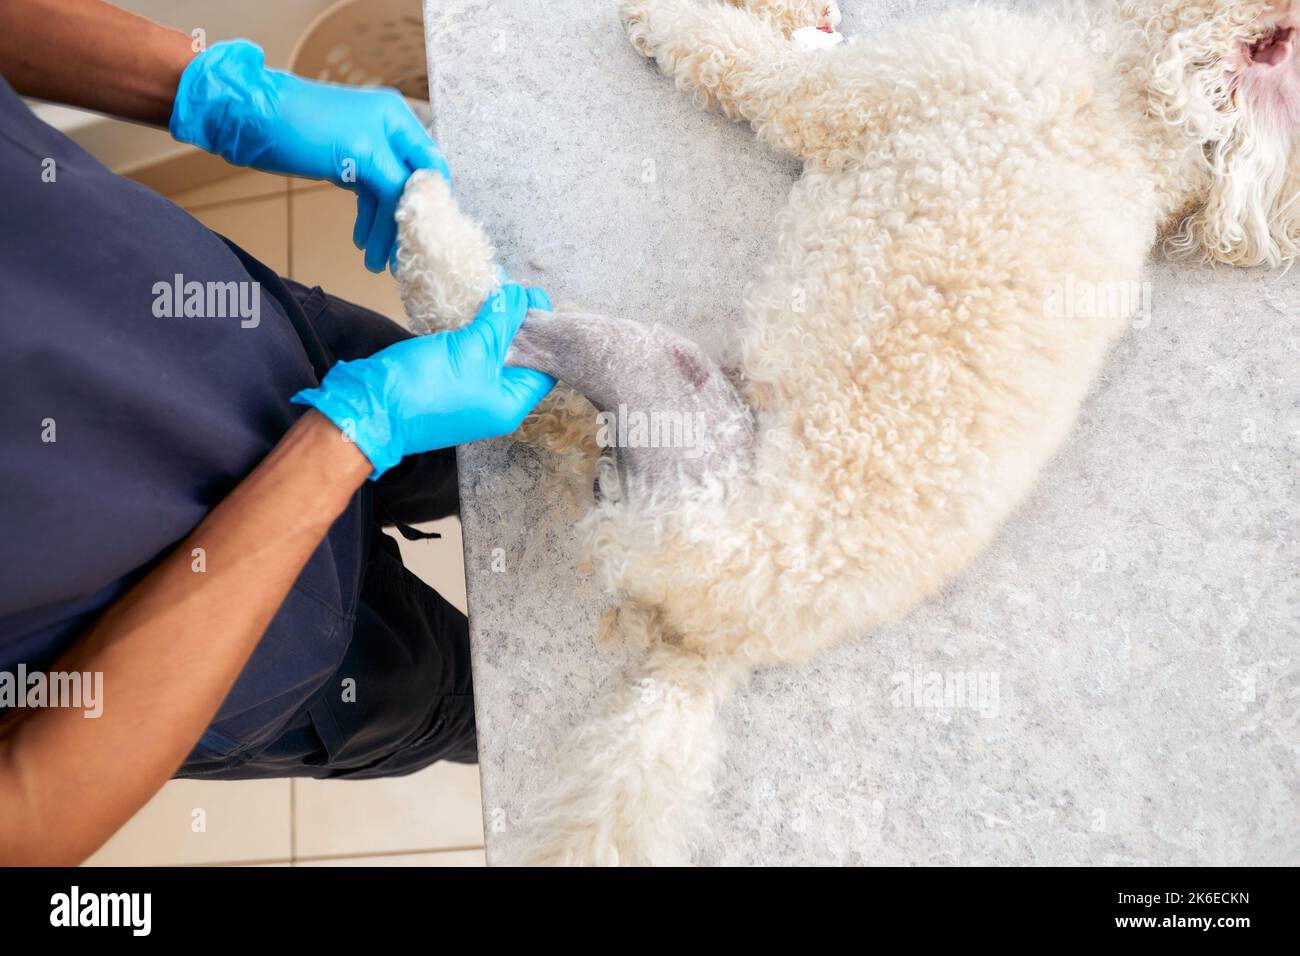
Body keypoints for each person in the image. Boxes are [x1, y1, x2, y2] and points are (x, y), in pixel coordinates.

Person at [0, 0, 554, 864]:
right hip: (210, 648)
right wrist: (347, 439)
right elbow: (25, 821)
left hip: (248, 338)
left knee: (544, 456)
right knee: (522, 701)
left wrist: (217, 93)